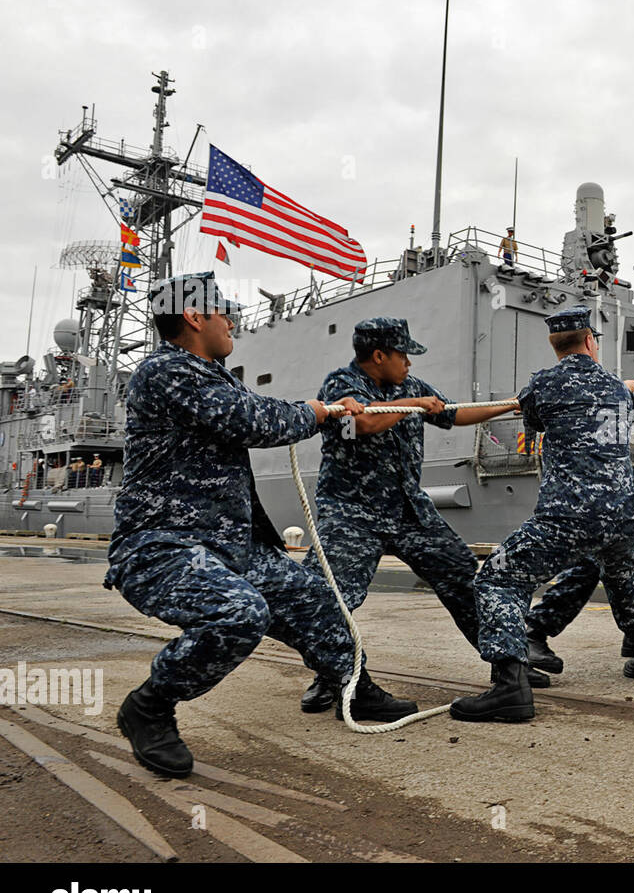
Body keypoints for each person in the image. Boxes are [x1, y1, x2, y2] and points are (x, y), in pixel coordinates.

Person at [104, 272, 414, 779]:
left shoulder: (211, 373)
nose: (232, 319)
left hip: (231, 544)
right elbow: (252, 420)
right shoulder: (166, 371)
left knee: (315, 598)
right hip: (165, 547)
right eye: (223, 309)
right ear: (194, 316)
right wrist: (319, 410)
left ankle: (353, 687)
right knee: (238, 615)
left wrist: (329, 411)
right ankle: (150, 707)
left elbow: (251, 411)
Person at [296, 316, 541, 715]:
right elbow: (361, 423)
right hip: (352, 513)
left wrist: (510, 404)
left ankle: (506, 665)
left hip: (409, 509)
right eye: (402, 354)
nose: (409, 363)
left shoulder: (411, 386)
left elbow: (452, 413)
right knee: (330, 596)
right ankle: (334, 677)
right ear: (379, 355)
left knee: (462, 575)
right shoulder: (341, 386)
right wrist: (411, 406)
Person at [453, 306, 634, 722]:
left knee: (498, 578)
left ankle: (509, 685)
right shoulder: (618, 387)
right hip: (626, 513)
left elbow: (536, 422)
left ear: (554, 344)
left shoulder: (544, 384)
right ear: (591, 341)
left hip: (570, 512)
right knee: (619, 571)